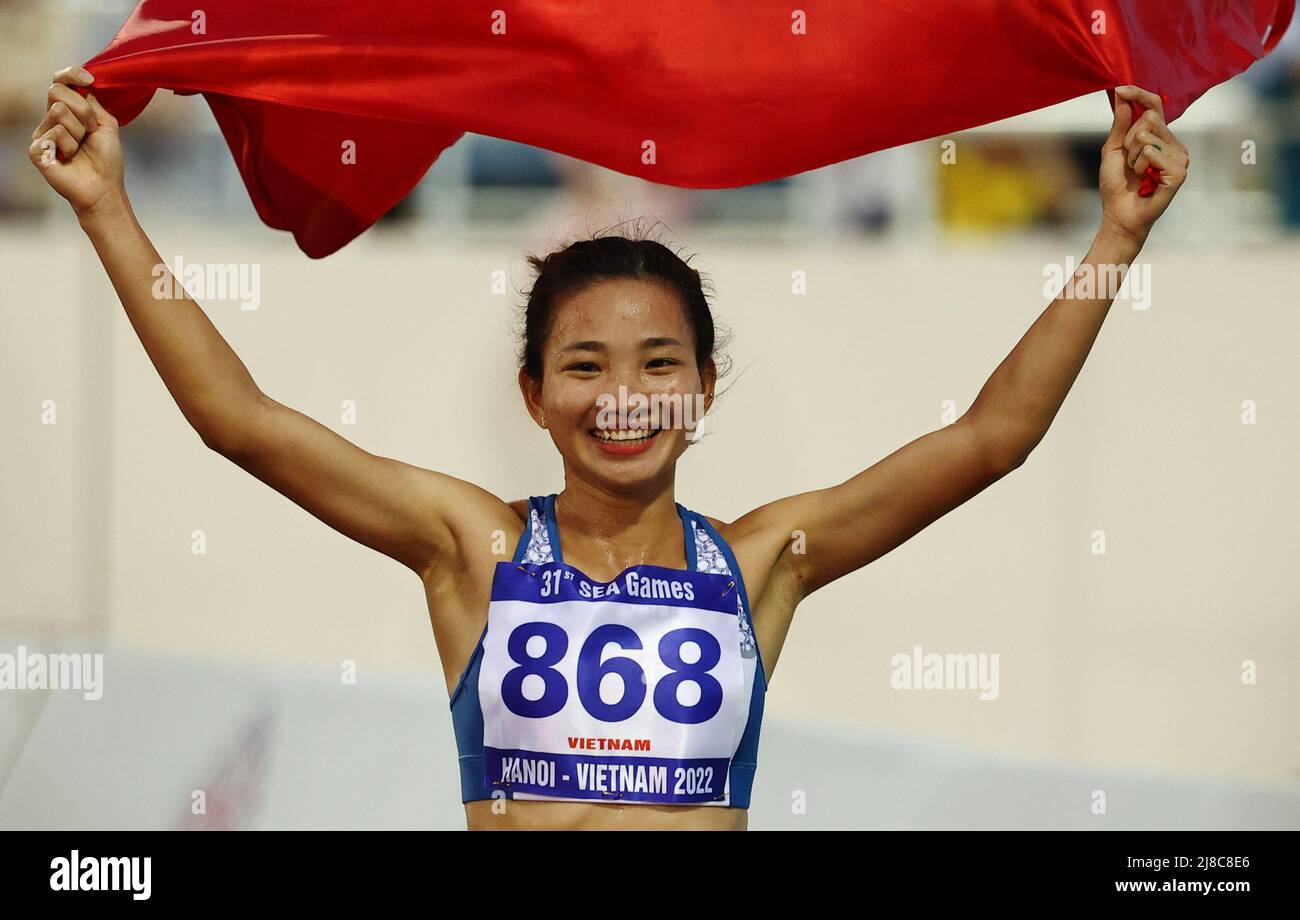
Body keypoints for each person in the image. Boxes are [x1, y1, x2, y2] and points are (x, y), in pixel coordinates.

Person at [29, 67, 1188, 830]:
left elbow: (992, 438)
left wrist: (1113, 237)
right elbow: (239, 419)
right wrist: (105, 211)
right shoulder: (469, 547)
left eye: (657, 364)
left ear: (703, 390)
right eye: (584, 366)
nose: (622, 396)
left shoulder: (762, 561)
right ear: (532, 395)